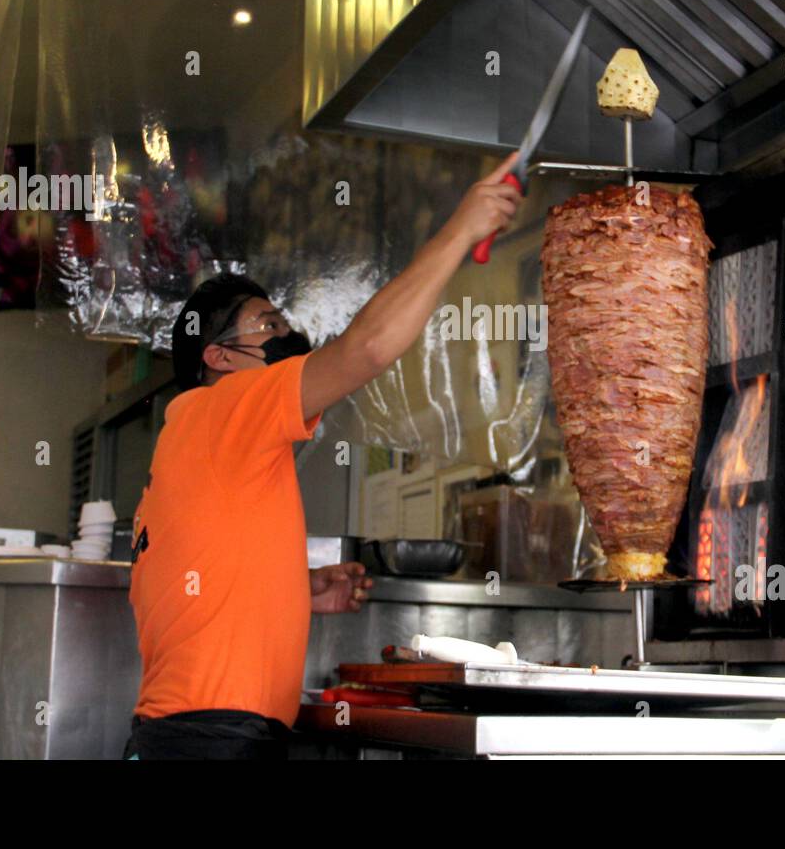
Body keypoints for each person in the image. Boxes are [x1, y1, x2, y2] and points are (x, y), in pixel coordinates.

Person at [122, 151, 522, 759]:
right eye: (267, 324)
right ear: (220, 357)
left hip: (185, 738)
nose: (286, 334)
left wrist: (296, 589)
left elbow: (189, 589)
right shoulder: (224, 406)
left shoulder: (193, 441)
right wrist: (461, 228)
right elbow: (365, 350)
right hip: (211, 743)